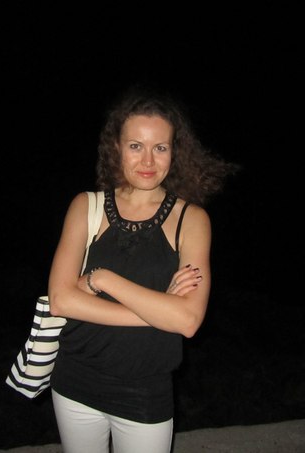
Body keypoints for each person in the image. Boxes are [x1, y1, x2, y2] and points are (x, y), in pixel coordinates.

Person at [47, 85, 237, 453]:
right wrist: (159, 311)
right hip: (74, 383)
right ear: (116, 148)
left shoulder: (191, 219)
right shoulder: (86, 206)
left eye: (160, 147)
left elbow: (188, 321)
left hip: (145, 391)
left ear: (174, 151)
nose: (148, 160)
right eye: (136, 146)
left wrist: (102, 279)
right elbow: (61, 301)